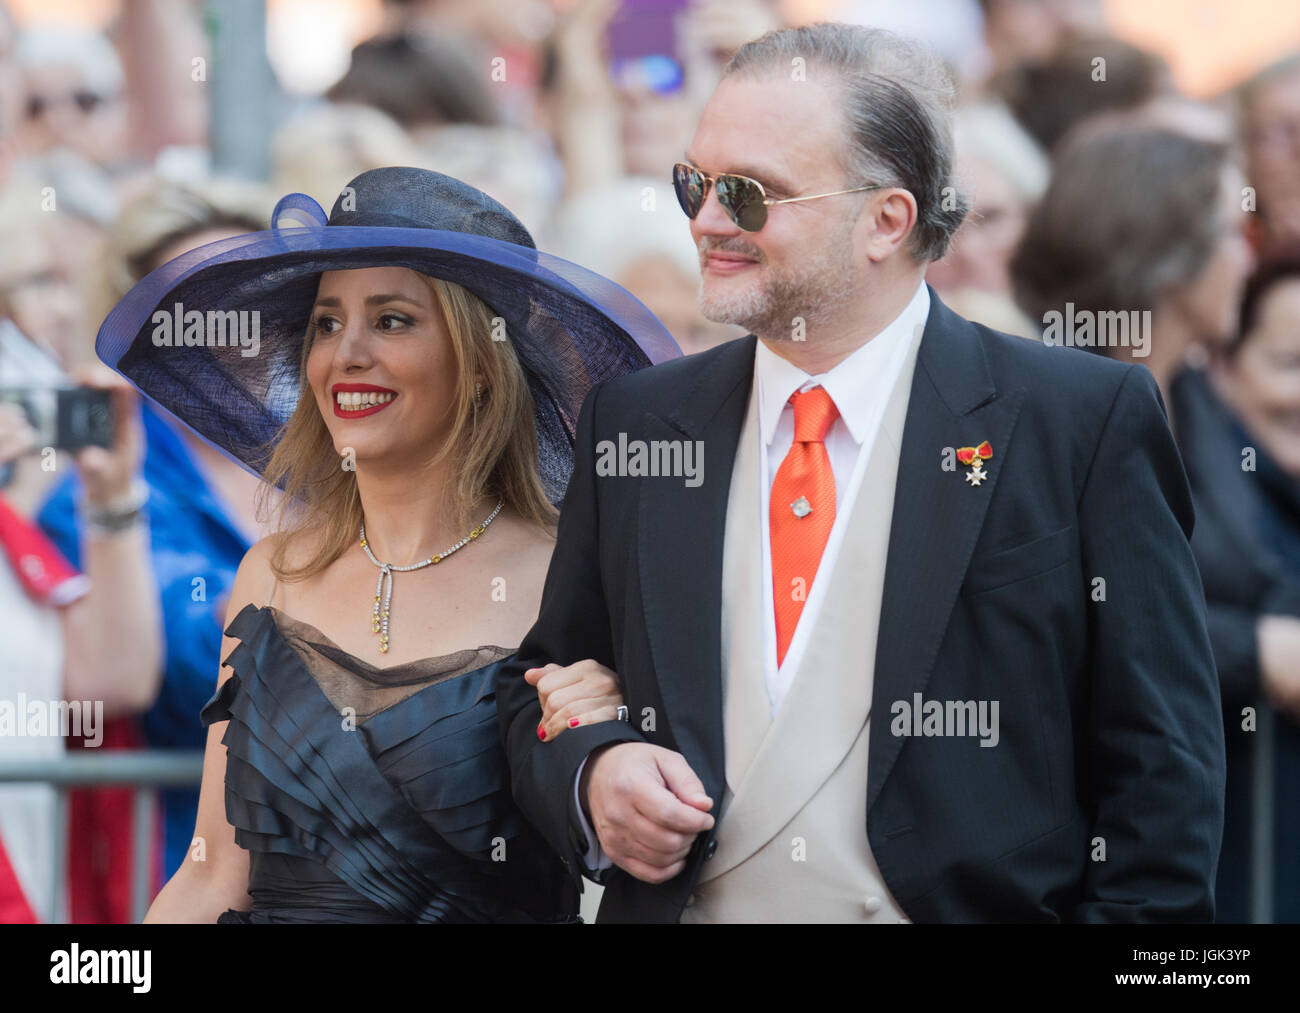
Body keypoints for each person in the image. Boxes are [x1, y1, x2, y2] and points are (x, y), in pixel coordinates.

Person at [497, 23, 1225, 923]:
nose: (706, 220)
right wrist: (594, 770)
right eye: (695, 182)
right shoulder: (639, 418)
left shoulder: (1078, 418)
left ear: (886, 219)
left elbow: (1163, 771)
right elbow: (539, 684)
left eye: (750, 194)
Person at [95, 166, 677, 922]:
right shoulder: (270, 575)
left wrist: (614, 724)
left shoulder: (574, 573)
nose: (348, 354)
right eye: (327, 323)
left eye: (393, 319)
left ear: (477, 363)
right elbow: (209, 878)